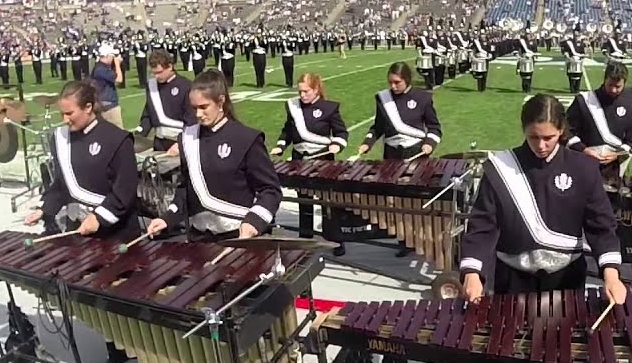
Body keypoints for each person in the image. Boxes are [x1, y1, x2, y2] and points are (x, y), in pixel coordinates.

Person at [460, 93, 628, 303]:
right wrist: (472, 273)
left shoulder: (583, 168)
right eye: (533, 137)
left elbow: (601, 225)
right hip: (513, 278)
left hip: (566, 278)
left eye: (548, 138)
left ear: (561, 130)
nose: (541, 146)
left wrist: (611, 275)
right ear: (524, 130)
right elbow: (483, 226)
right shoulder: (500, 169)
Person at [23, 79, 140, 363]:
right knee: (98, 291)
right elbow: (62, 186)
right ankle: (115, 349)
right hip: (82, 231)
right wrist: (44, 207)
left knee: (128, 292)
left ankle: (143, 346)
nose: (65, 120)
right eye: (63, 114)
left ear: (89, 108)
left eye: (70, 114)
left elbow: (124, 192)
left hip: (118, 230)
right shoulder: (60, 139)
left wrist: (99, 217)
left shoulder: (118, 140)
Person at [146, 69, 282, 241]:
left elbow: (270, 190)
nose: (198, 114)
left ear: (221, 102)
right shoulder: (188, 138)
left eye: (204, 107)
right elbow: (186, 189)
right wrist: (167, 218)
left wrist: (254, 221)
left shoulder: (246, 139)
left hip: (237, 235)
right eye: (194, 108)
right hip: (199, 238)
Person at [358, 62, 442, 256]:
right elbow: (377, 127)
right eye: (390, 83)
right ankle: (404, 239)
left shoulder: (422, 98)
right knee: (396, 199)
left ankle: (422, 239)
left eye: (397, 82)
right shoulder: (383, 99)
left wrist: (429, 143)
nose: (393, 87)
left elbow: (435, 128)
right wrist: (367, 143)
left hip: (416, 153)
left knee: (415, 199)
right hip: (392, 155)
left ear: (407, 80)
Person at [271, 73, 348, 254]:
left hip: (323, 160)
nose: (302, 95)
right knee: (304, 201)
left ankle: (335, 239)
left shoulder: (329, 108)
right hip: (300, 159)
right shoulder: (293, 107)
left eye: (306, 91)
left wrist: (337, 144)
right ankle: (305, 238)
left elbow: (342, 133)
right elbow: (287, 131)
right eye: (300, 92)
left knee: (327, 202)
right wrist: (281, 146)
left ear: (316, 90)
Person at [565, 60, 632, 179]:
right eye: (610, 85)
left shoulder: (631, 105)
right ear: (604, 80)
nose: (613, 90)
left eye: (618, 87)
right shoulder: (583, 101)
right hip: (581, 163)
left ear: (625, 83)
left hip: (611, 169)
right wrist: (583, 149)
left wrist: (617, 155)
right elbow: (566, 131)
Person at [136, 49, 194, 155]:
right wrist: (138, 137)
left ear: (170, 66)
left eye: (159, 72)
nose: (157, 76)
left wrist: (181, 144)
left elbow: (192, 120)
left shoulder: (186, 86)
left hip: (179, 142)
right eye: (154, 73)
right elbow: (149, 113)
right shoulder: (152, 85)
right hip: (159, 142)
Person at [90, 43, 124, 129]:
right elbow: (119, 79)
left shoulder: (101, 67)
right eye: (112, 56)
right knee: (118, 133)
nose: (113, 58)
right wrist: (117, 64)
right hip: (108, 106)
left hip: (105, 104)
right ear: (107, 56)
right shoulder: (101, 70)